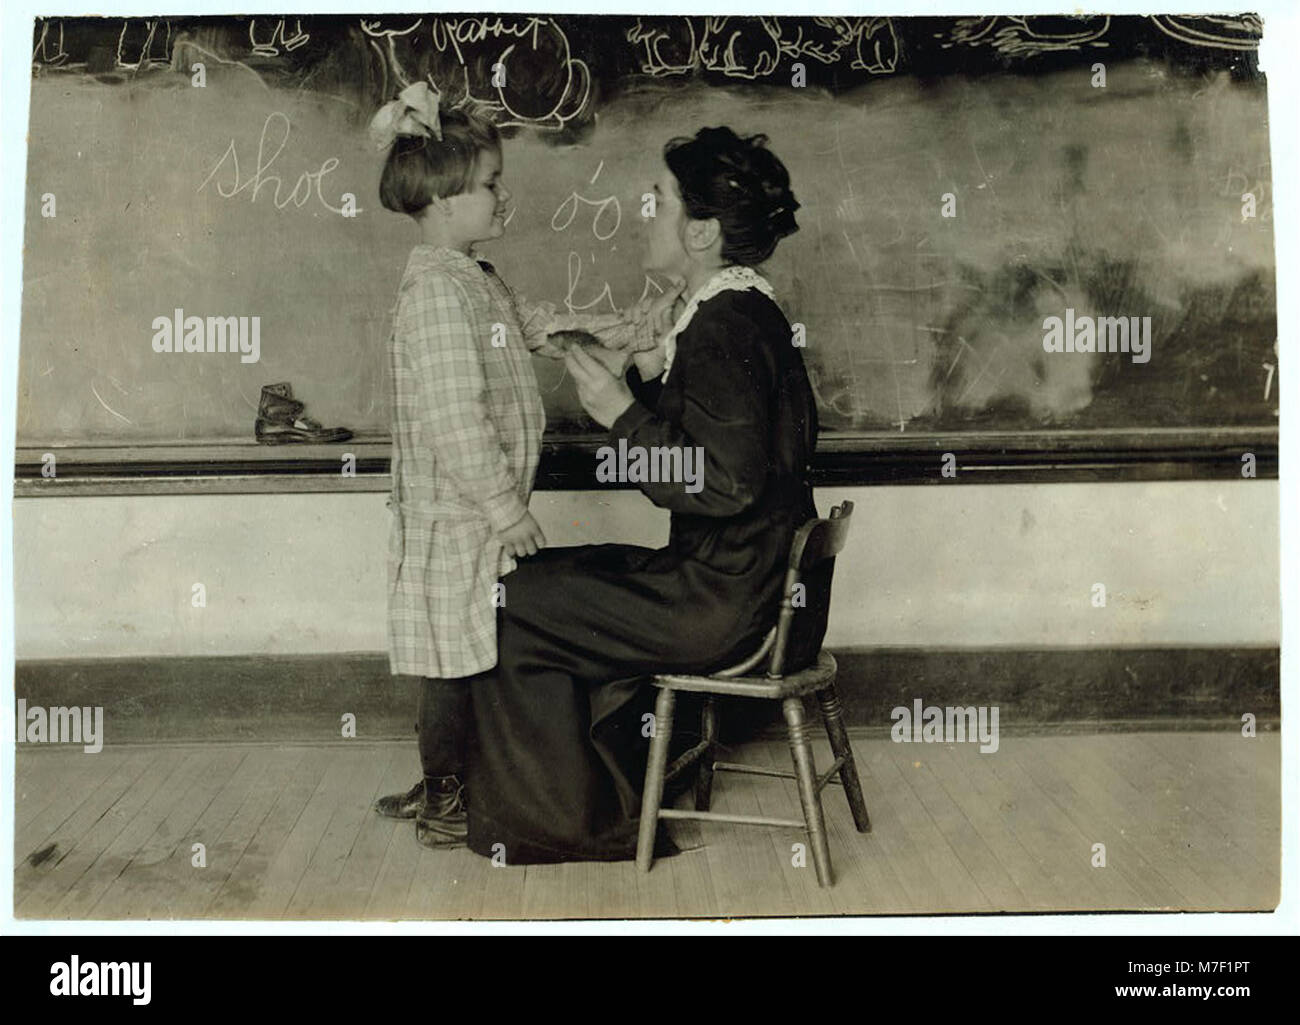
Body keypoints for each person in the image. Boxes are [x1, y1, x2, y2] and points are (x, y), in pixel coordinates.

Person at [462, 126, 829, 863]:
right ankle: (603, 789)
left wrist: (621, 414)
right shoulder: (741, 313)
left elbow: (724, 483)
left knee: (509, 601)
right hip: (745, 584)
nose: (641, 211)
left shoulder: (724, 327)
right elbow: (731, 458)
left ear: (701, 232)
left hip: (721, 602)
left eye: (655, 200)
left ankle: (580, 820)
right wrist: (645, 380)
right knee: (536, 580)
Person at [368, 83, 668, 848]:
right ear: (441, 198)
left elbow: (547, 326)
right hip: (458, 514)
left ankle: (456, 776)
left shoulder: (477, 280)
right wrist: (506, 508)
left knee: (471, 647)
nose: (504, 195)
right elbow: (453, 417)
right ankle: (443, 797)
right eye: (491, 184)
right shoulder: (437, 293)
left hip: (475, 512)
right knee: (453, 658)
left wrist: (633, 328)